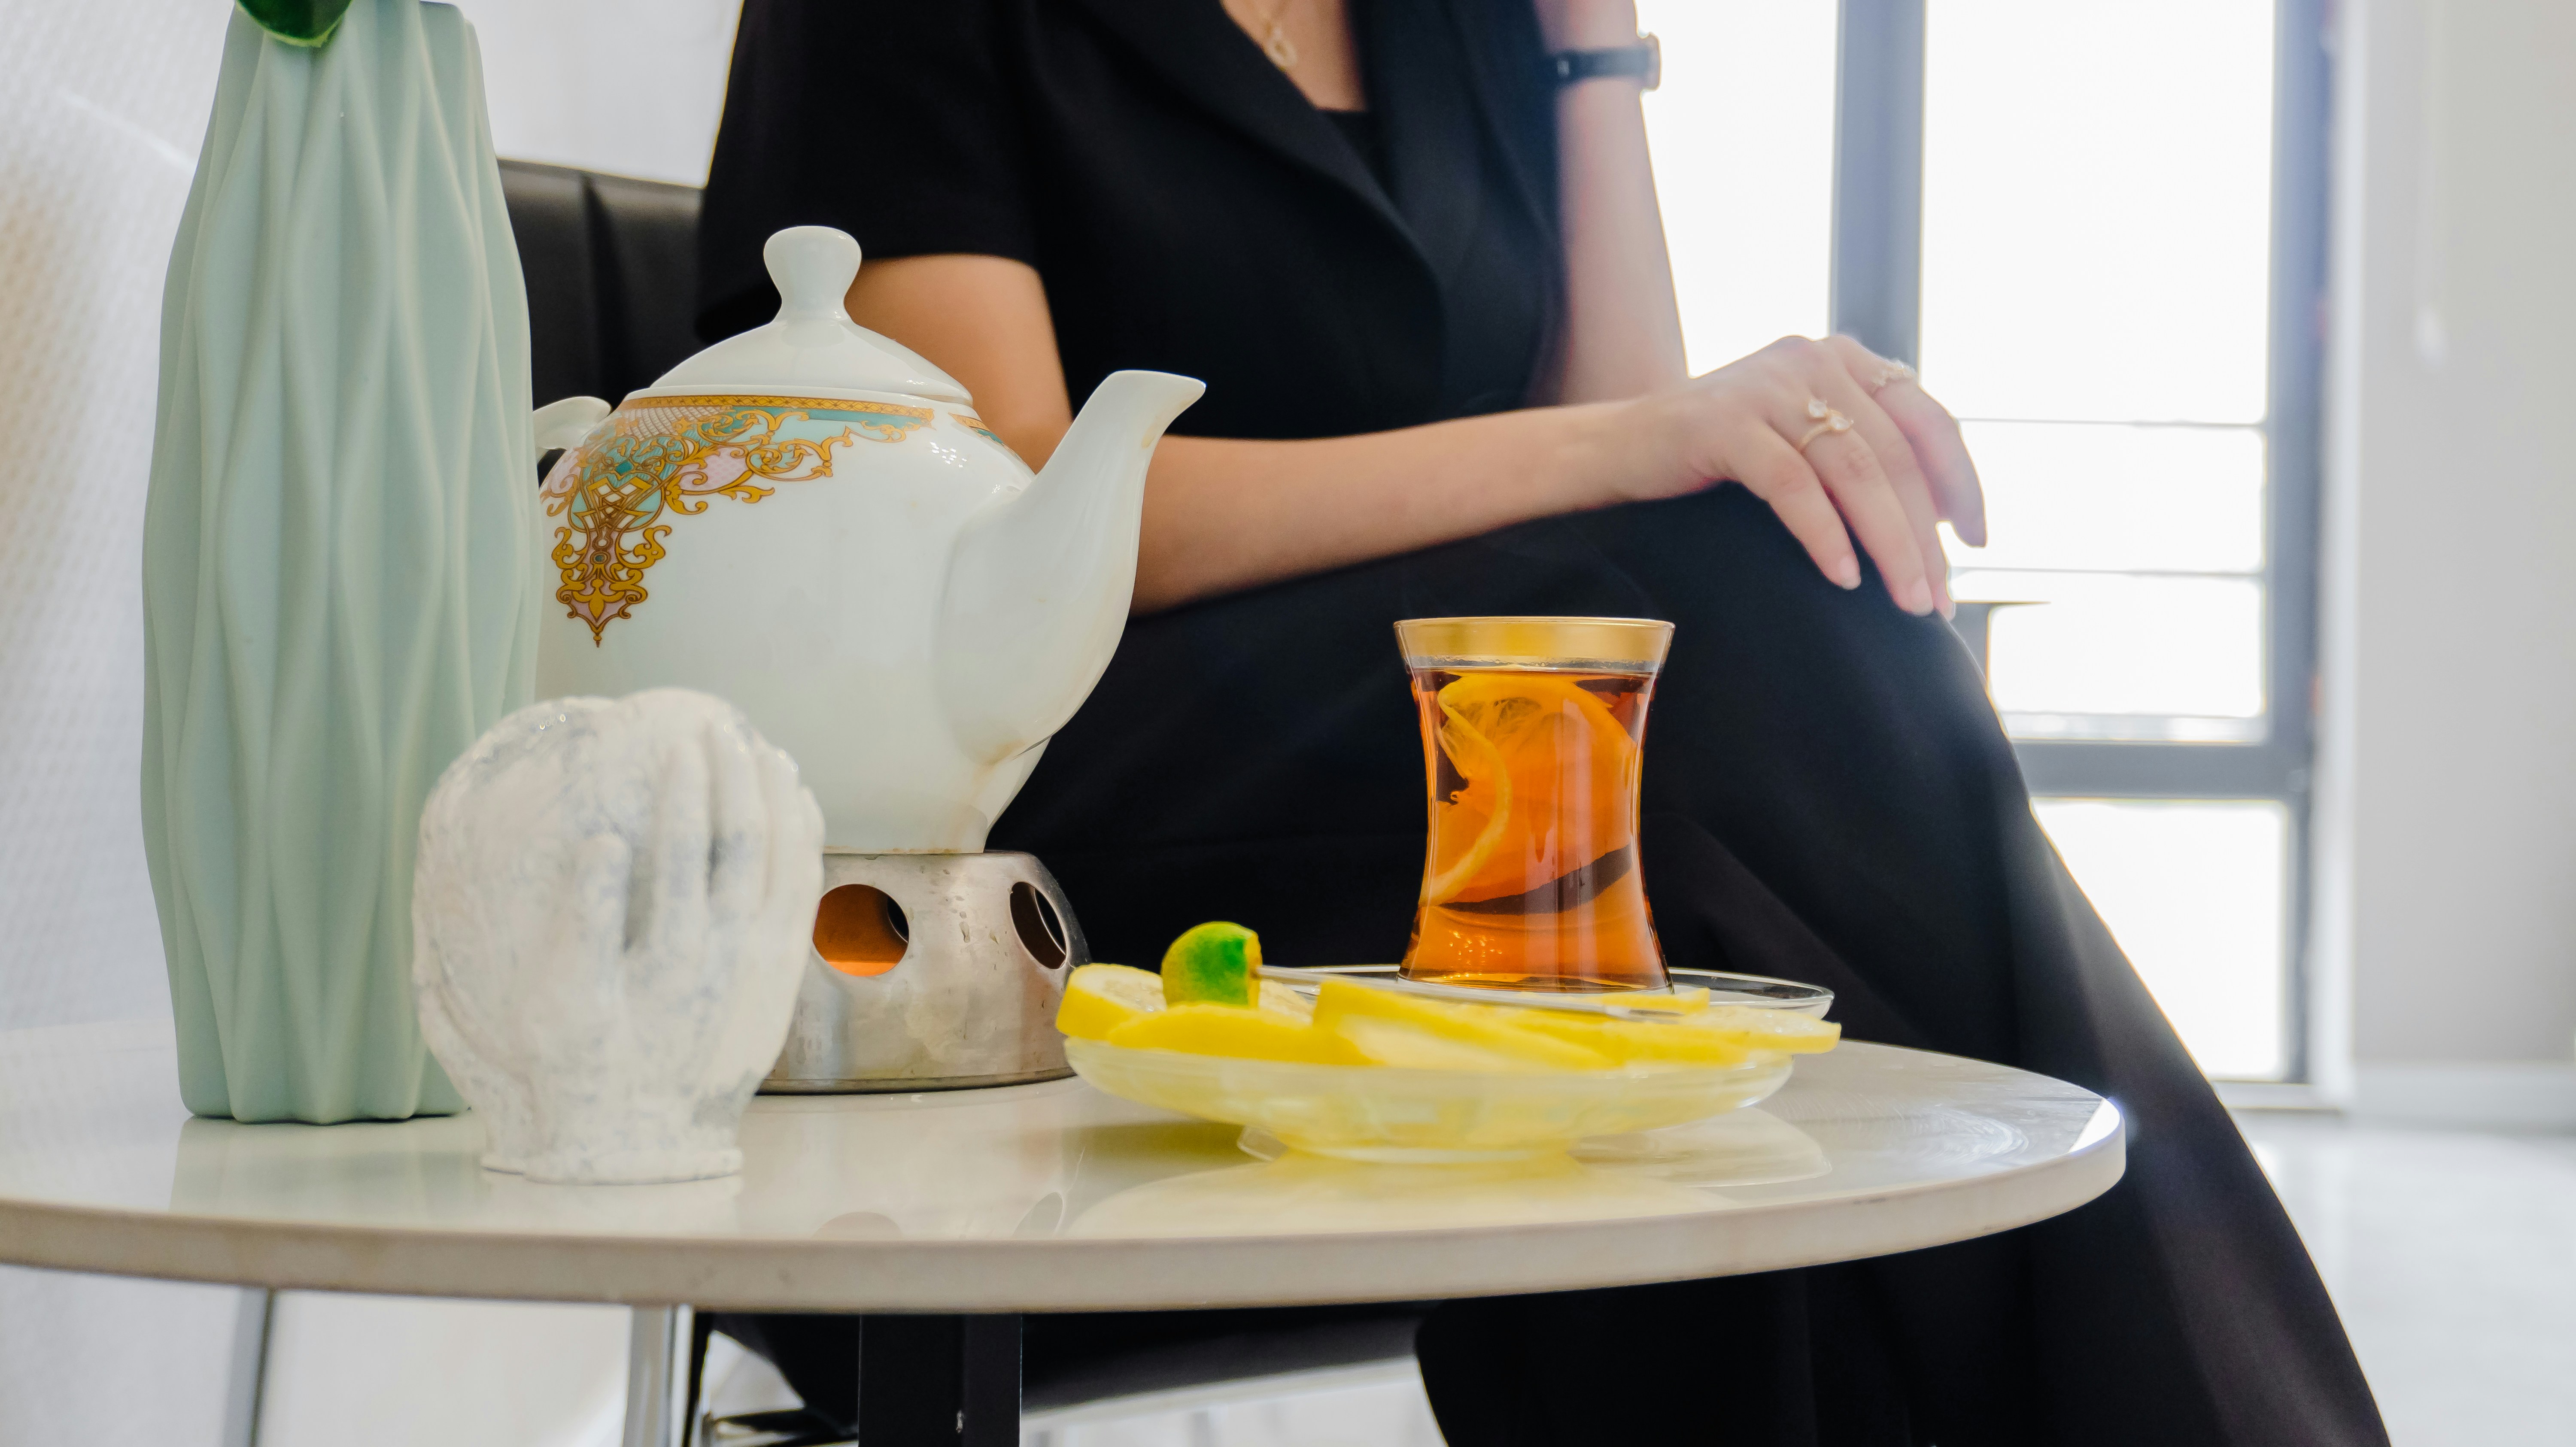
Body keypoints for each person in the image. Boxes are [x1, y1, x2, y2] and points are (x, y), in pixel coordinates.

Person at [696, 2, 2389, 1443]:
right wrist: (1654, 446)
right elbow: (1002, 518)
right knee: (1726, 662)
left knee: (1697, 749)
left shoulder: (1465, 22)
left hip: (1448, 784)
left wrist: (1594, 46)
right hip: (1025, 827)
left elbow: (1625, 475)